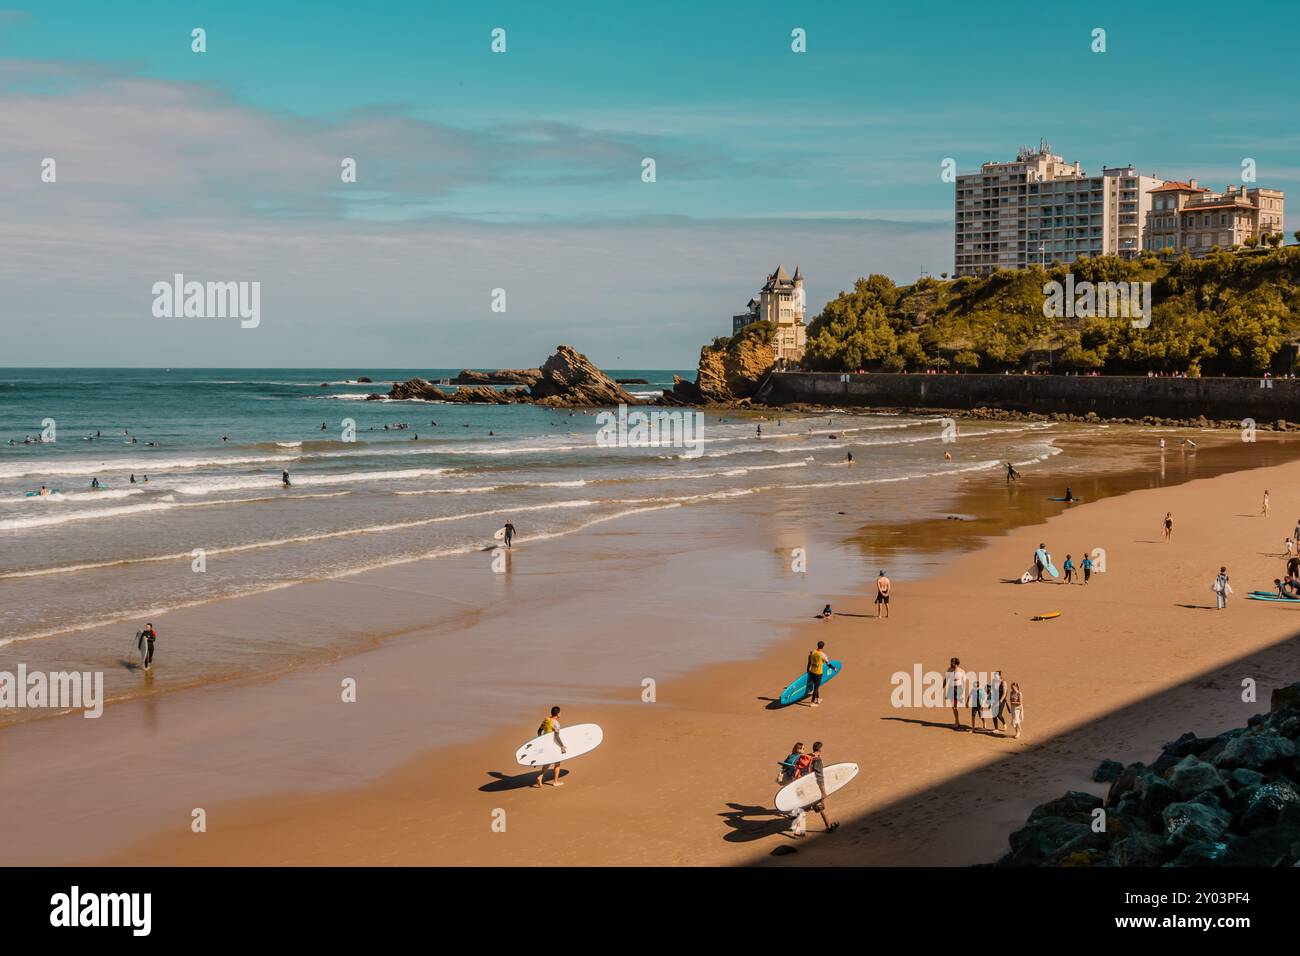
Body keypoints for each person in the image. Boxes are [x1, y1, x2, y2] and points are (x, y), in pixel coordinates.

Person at [777, 742, 811, 837]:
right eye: (802, 748)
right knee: (800, 808)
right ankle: (797, 831)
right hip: (796, 783)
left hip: (787, 783)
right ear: (799, 749)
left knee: (798, 807)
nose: (803, 750)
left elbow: (783, 766)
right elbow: (805, 769)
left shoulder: (790, 756)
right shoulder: (802, 757)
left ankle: (800, 831)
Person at [805, 742, 840, 832]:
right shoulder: (817, 760)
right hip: (813, 787)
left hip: (805, 786)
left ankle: (828, 825)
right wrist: (823, 791)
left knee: (808, 807)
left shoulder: (807, 756)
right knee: (819, 807)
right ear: (820, 750)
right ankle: (828, 827)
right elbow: (819, 777)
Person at [532, 706, 566, 788]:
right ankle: (555, 782)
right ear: (558, 714)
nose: (561, 714)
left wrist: (542, 739)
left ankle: (540, 777)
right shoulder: (556, 723)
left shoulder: (546, 720)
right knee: (557, 763)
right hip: (553, 744)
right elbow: (557, 736)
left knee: (549, 761)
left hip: (546, 744)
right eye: (560, 712)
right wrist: (562, 746)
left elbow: (539, 731)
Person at [945, 658, 967, 730]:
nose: (950, 664)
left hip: (958, 689)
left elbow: (964, 683)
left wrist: (963, 694)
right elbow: (946, 679)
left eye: (952, 663)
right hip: (951, 689)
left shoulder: (961, 671)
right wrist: (942, 687)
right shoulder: (949, 670)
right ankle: (957, 722)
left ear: (956, 664)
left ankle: (957, 722)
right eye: (951, 662)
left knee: (954, 707)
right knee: (953, 707)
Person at [806, 641, 830, 707]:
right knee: (816, 687)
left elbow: (809, 661)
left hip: (812, 672)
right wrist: (834, 668)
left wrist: (807, 670)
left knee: (816, 686)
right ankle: (812, 703)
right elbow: (828, 664)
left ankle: (818, 699)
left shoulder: (813, 652)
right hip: (818, 673)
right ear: (823, 646)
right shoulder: (823, 655)